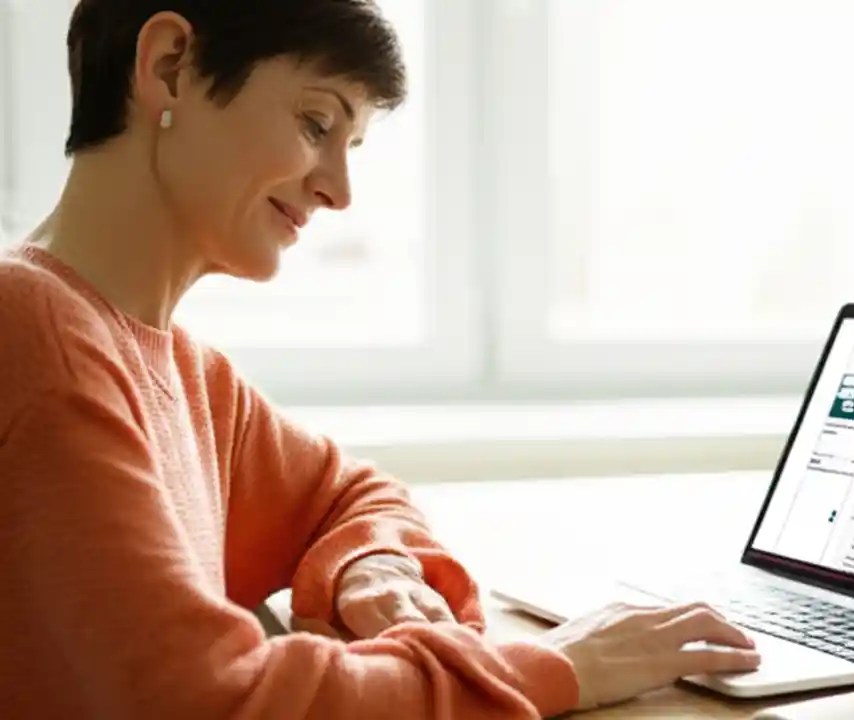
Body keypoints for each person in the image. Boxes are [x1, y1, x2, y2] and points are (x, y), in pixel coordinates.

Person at [0, 1, 761, 717]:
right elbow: (212, 700)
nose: (339, 191)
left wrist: (376, 568)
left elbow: (356, 497)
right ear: (170, 66)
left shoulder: (188, 378)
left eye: (349, 146)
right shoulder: (35, 332)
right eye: (314, 122)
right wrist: (560, 668)